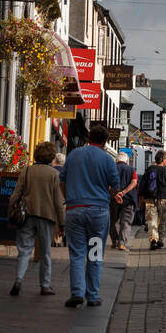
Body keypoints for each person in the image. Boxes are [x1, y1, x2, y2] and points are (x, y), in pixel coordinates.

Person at [59, 127, 120, 308]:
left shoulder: (74, 155)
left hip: (75, 209)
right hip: (98, 212)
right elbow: (115, 187)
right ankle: (92, 296)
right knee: (94, 254)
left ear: (88, 137)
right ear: (105, 142)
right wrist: (107, 194)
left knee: (77, 253)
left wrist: (70, 197)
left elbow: (62, 181)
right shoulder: (107, 160)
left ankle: (76, 293)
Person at [10, 140, 64, 297]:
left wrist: (10, 212)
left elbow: (15, 195)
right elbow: (58, 201)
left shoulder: (27, 171)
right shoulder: (54, 174)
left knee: (24, 250)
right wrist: (62, 223)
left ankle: (19, 280)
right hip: (46, 217)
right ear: (51, 157)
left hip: (26, 216)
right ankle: (45, 285)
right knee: (45, 252)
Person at [141, 152, 166, 250]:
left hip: (150, 199)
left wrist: (142, 199)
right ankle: (160, 240)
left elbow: (142, 186)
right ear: (163, 160)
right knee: (161, 221)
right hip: (163, 200)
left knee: (151, 220)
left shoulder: (149, 170)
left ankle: (153, 239)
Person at [111, 152, 138, 252]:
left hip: (113, 199)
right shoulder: (131, 170)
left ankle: (115, 241)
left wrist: (116, 194)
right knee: (125, 222)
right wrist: (123, 192)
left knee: (113, 221)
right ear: (126, 160)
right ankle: (122, 243)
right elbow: (134, 182)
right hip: (129, 199)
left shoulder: (112, 168)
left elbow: (108, 183)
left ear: (116, 160)